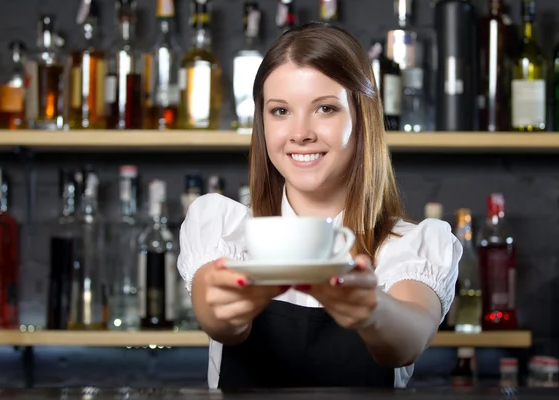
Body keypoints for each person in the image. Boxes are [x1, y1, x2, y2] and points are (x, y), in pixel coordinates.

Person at [177, 22, 462, 390]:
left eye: (325, 108)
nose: (300, 132)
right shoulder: (224, 229)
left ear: (362, 119)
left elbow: (407, 341)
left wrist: (372, 309)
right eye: (280, 111)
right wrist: (224, 308)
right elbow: (219, 321)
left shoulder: (409, 247)